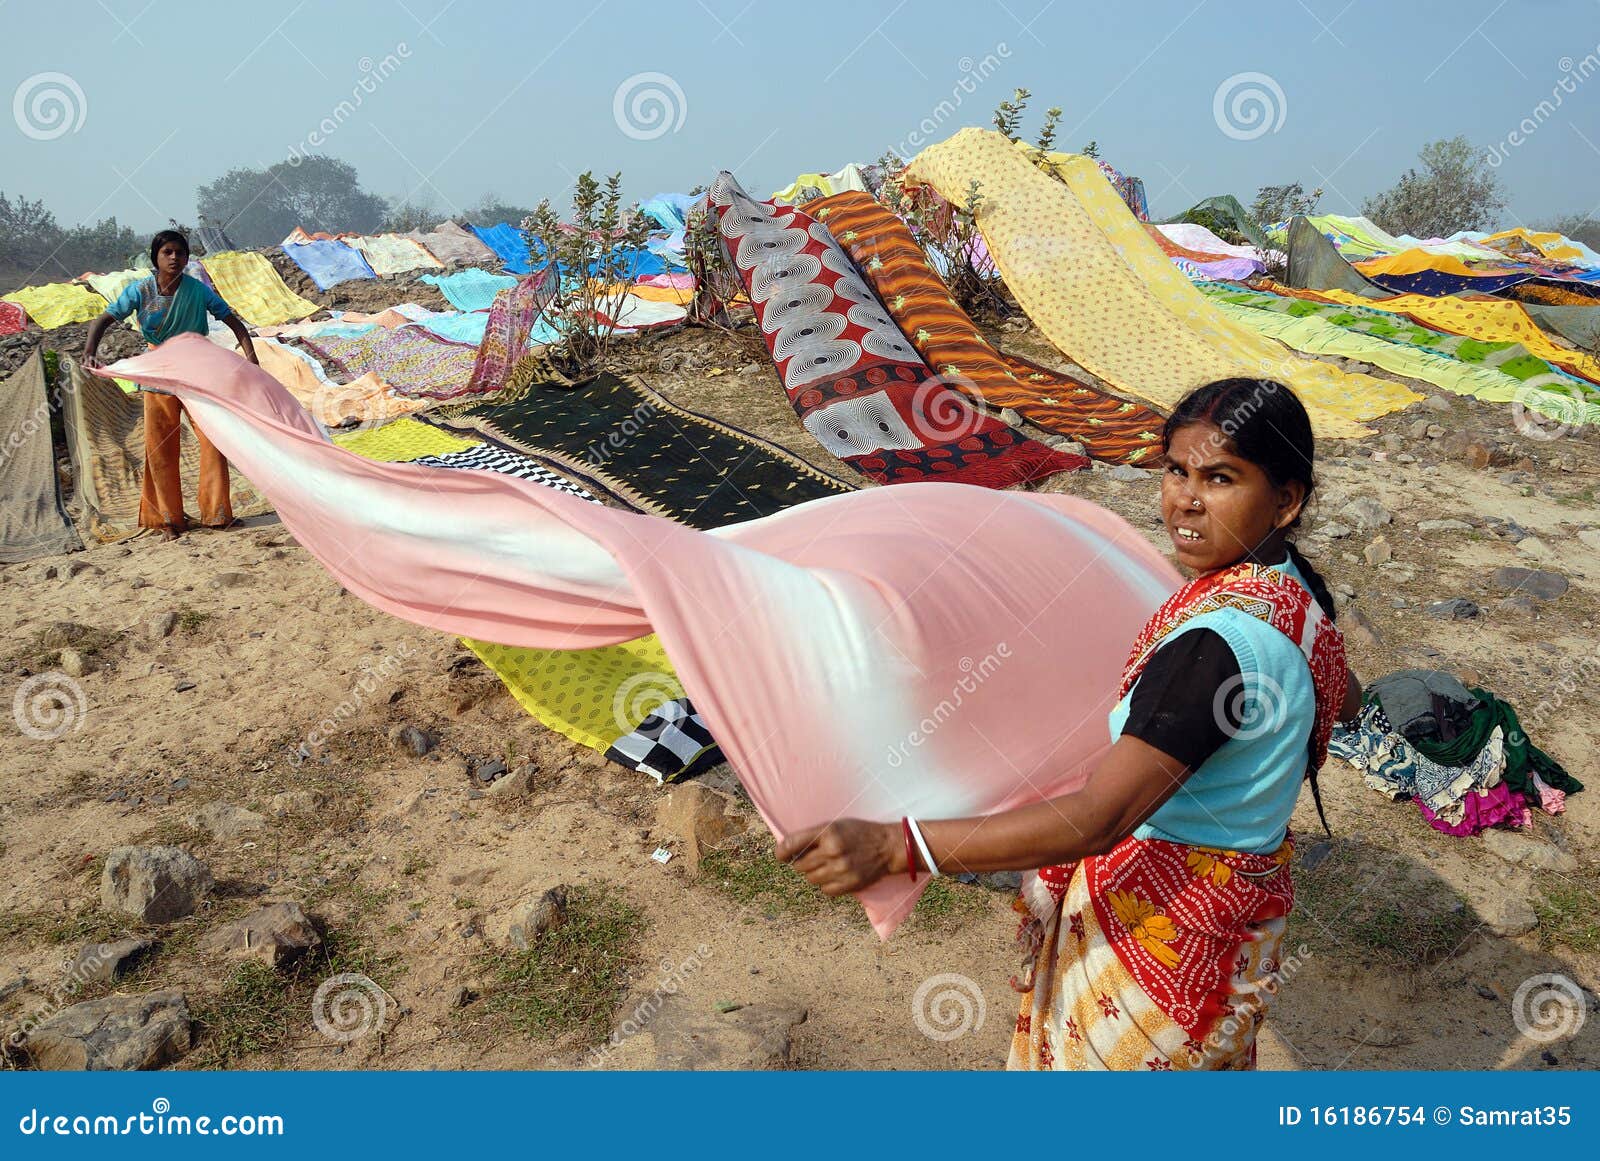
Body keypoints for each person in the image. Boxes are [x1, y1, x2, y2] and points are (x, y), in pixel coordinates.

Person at [777, 378, 1363, 1071]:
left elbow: (1095, 820)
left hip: (1156, 954)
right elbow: (1346, 696)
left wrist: (893, 846)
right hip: (1230, 935)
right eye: (1176, 470)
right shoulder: (1294, 597)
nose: (1185, 500)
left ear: (1286, 500)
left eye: (1220, 478)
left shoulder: (1215, 650)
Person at [82, 230, 258, 539]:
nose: (174, 257)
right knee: (160, 447)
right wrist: (89, 352)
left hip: (196, 371)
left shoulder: (197, 291)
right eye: (167, 252)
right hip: (159, 373)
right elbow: (104, 319)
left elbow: (233, 322)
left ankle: (217, 514)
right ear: (156, 257)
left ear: (187, 258)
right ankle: (169, 520)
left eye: (180, 252)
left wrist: (251, 358)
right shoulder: (140, 290)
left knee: (213, 439)